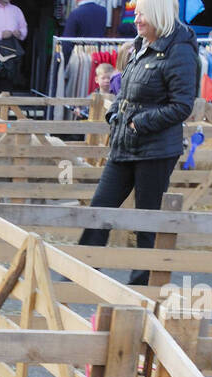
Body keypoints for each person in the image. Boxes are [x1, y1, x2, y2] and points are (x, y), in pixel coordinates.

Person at [77, 0, 200, 287]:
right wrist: (114, 112)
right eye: (137, 14)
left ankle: (143, 285)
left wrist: (139, 122)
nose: (137, 19)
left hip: (156, 149)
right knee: (99, 209)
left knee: (147, 220)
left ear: (157, 14)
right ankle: (82, 272)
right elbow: (125, 87)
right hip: (124, 145)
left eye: (142, 14)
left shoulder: (179, 50)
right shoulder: (141, 45)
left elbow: (182, 105)